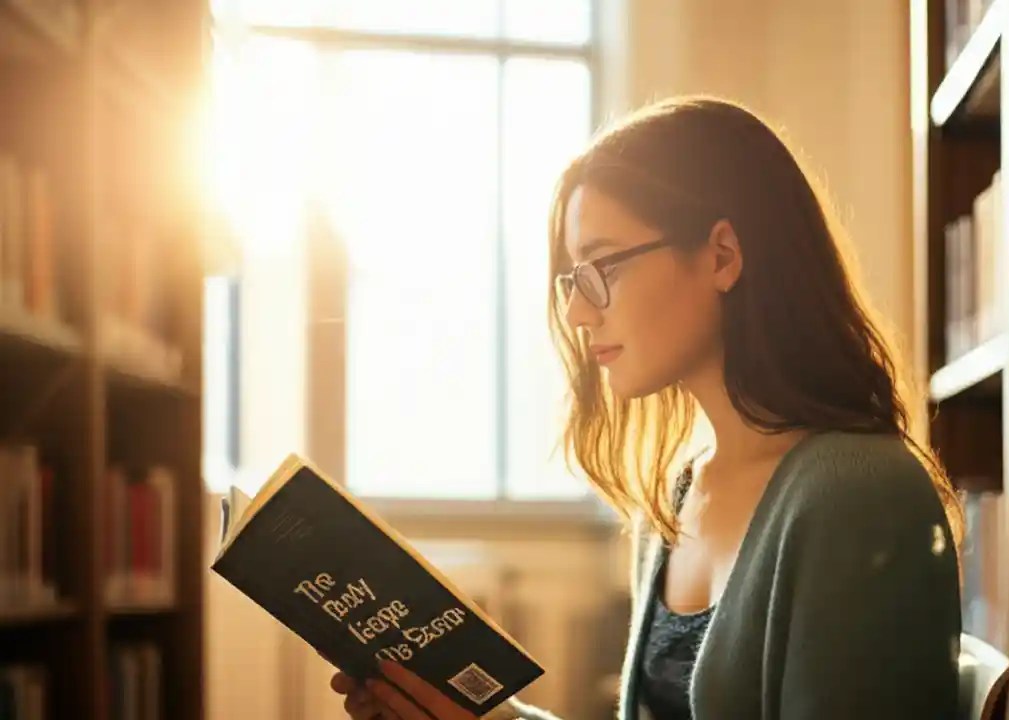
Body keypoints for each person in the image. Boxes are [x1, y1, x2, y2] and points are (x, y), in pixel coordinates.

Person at [332, 96, 964, 720]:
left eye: (603, 265)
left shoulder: (860, 493)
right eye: (573, 278)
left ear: (722, 256)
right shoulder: (676, 497)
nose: (578, 312)